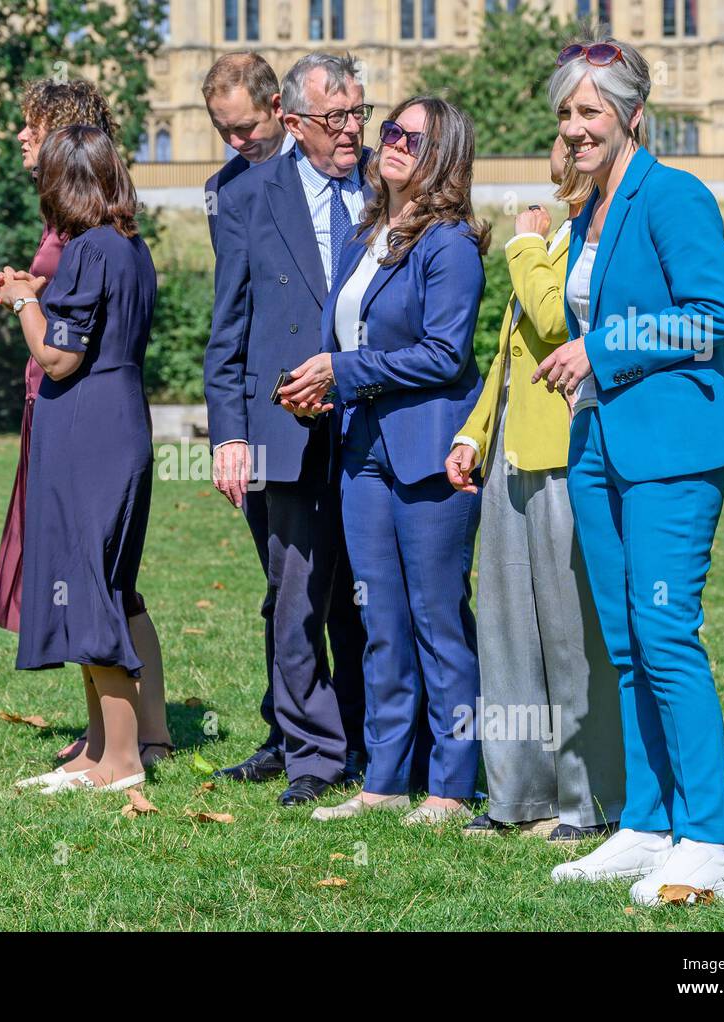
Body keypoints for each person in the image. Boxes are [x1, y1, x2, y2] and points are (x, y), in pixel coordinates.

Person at [533, 37, 724, 904]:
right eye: (566, 112)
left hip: (673, 448)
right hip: (598, 444)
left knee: (665, 635)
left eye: (590, 111)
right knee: (626, 643)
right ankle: (648, 824)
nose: (575, 127)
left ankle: (709, 842)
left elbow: (712, 315)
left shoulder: (674, 194)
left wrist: (600, 349)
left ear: (631, 115)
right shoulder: (589, 210)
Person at [281, 97, 487, 825]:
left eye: (414, 138)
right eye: (390, 131)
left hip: (429, 454)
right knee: (381, 623)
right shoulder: (362, 236)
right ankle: (385, 781)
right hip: (361, 452)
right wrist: (318, 390)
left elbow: (444, 354)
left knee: (437, 620)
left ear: (445, 156)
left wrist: (344, 371)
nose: (393, 143)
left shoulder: (450, 245)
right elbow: (347, 340)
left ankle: (453, 786)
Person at [444, 136, 625, 841]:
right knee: (507, 635)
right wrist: (474, 435)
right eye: (561, 130)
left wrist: (522, 247)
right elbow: (508, 361)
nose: (565, 142)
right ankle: (517, 796)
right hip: (509, 463)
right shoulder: (554, 239)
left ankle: (589, 802)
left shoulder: (589, 240)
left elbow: (554, 325)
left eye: (577, 131)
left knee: (571, 636)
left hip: (566, 460)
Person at [203, 52, 370, 806]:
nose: (352, 129)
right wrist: (230, 434)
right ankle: (309, 751)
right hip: (284, 422)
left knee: (366, 594)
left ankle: (371, 739)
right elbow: (231, 324)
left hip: (373, 420)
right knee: (294, 592)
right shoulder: (243, 195)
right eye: (337, 117)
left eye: (358, 113)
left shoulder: (387, 181)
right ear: (299, 121)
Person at [0, 124, 164, 794]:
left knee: (92, 590)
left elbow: (58, 356)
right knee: (99, 581)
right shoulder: (130, 246)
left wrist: (23, 301)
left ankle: (121, 759)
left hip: (89, 428)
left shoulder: (90, 248)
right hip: (118, 418)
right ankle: (96, 751)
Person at [202, 52, 293, 245]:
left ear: (277, 106)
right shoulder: (218, 187)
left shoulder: (320, 163)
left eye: (245, 127)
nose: (234, 143)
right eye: (223, 129)